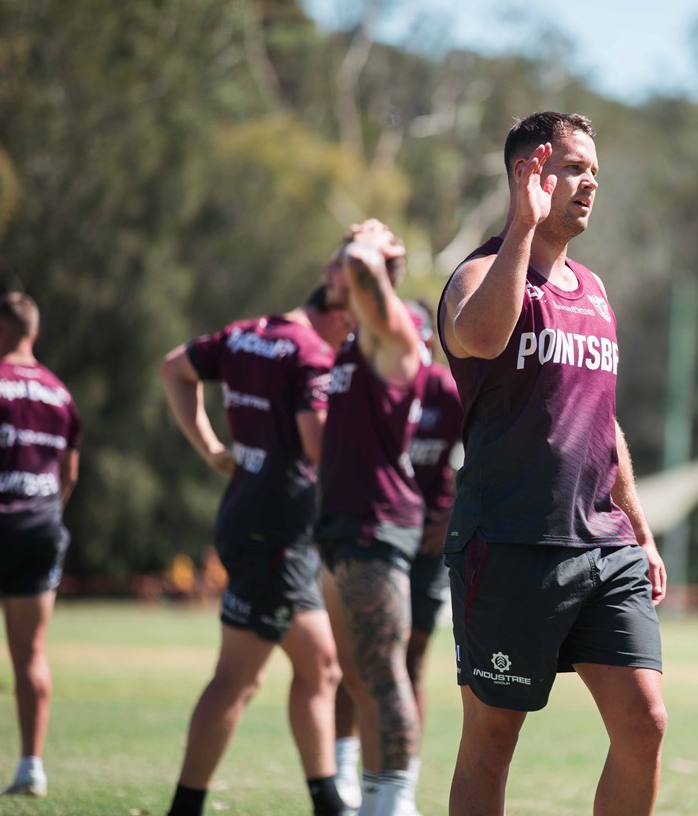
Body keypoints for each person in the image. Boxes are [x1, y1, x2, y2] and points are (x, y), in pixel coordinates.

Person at [437, 111, 668, 816]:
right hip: (508, 545)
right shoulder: (479, 272)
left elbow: (603, 421)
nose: (588, 180)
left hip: (602, 546)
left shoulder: (595, 291)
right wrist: (521, 231)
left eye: (593, 169)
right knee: (493, 739)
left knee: (645, 723)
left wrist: (639, 526)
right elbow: (480, 336)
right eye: (571, 166)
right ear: (527, 174)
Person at [158, 285, 353, 816]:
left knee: (320, 668)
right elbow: (320, 447)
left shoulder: (245, 335)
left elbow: (174, 368)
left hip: (261, 522)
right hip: (274, 534)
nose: (352, 342)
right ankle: (188, 806)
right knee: (238, 679)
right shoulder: (311, 351)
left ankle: (328, 800)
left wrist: (211, 450)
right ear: (335, 317)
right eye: (352, 329)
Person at [331, 298, 463, 816]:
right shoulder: (362, 391)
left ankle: (400, 780)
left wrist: (453, 515)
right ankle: (345, 768)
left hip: (427, 546)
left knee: (409, 662)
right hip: (374, 535)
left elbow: (485, 451)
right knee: (357, 659)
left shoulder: (445, 392)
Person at [315, 219, 428, 816]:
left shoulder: (395, 335)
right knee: (356, 674)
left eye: (340, 265)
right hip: (338, 527)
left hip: (375, 527)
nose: (329, 275)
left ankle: (394, 803)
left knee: (384, 673)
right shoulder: (354, 343)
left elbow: (362, 270)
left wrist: (369, 241)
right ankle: (373, 796)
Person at [0, 292, 80, 798]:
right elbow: (69, 475)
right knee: (31, 655)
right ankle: (31, 768)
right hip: (40, 529)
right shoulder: (61, 394)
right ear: (33, 333)